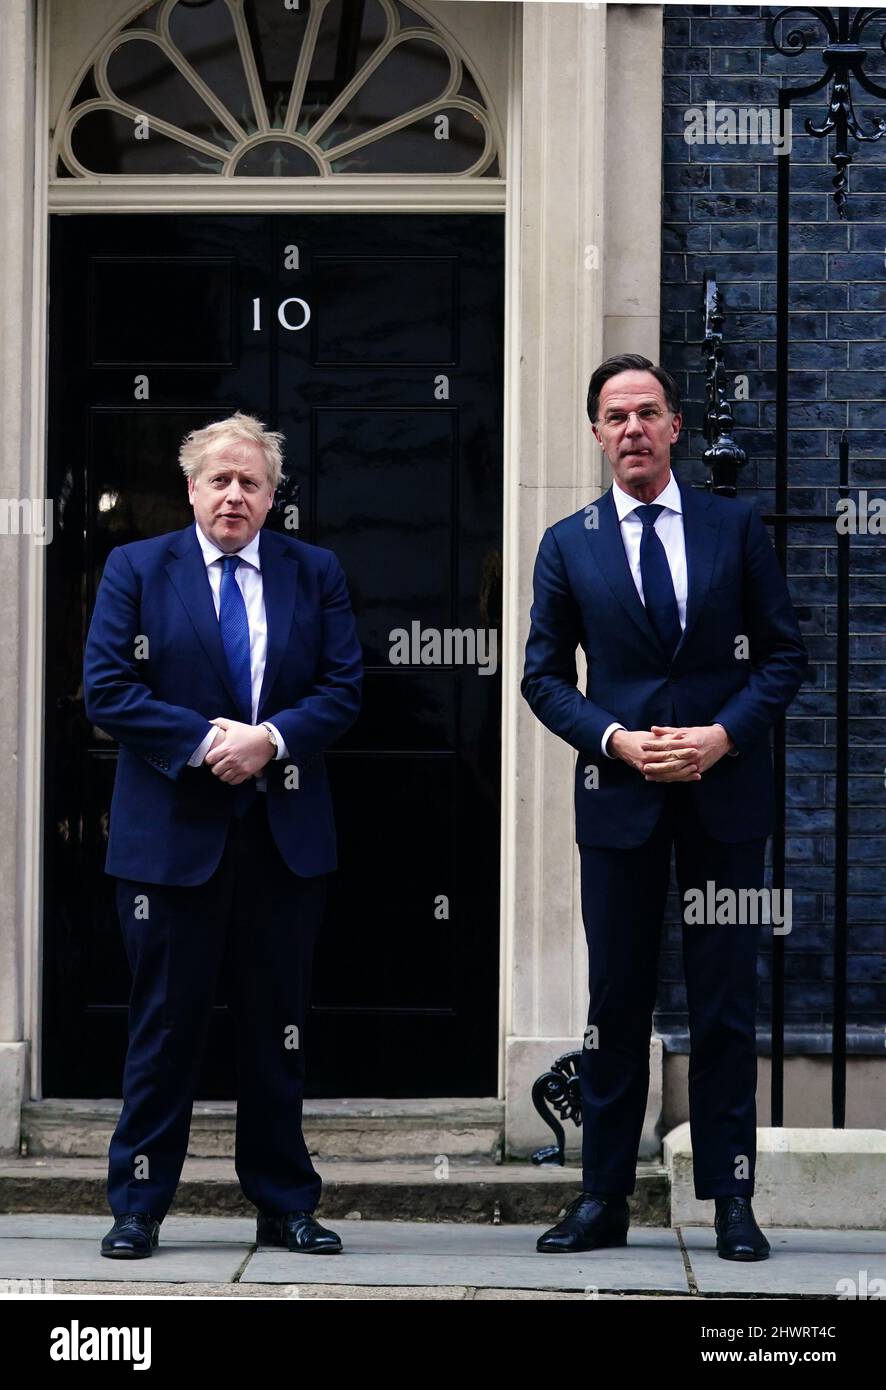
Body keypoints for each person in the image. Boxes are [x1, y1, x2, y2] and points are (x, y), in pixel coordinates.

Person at [521, 355, 807, 1260]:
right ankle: (603, 1199)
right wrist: (615, 741)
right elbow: (540, 678)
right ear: (598, 434)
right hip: (620, 799)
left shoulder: (734, 526)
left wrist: (722, 736)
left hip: (724, 799)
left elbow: (783, 658)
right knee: (617, 1002)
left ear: (675, 426)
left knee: (725, 1003)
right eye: (616, 415)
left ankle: (731, 1200)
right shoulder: (570, 543)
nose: (634, 428)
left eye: (648, 411)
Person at [83, 412, 362, 1258]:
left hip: (283, 841)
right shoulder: (136, 567)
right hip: (171, 843)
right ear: (192, 488)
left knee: (277, 1028)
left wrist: (268, 740)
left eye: (252, 482)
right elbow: (107, 689)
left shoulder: (315, 572)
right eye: (220, 479)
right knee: (164, 1028)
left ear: (274, 497)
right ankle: (138, 1205)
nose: (234, 494)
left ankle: (284, 1202)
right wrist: (212, 744)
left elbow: (343, 688)